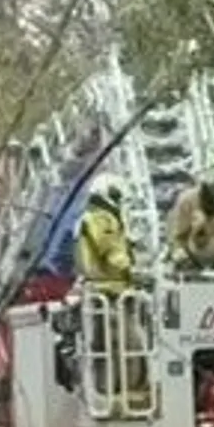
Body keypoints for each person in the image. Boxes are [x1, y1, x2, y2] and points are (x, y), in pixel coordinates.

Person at [73, 173, 151, 414]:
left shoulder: (95, 217)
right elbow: (111, 253)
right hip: (109, 294)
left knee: (118, 348)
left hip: (109, 293)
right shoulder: (102, 219)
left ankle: (121, 393)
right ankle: (123, 395)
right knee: (127, 346)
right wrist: (134, 271)